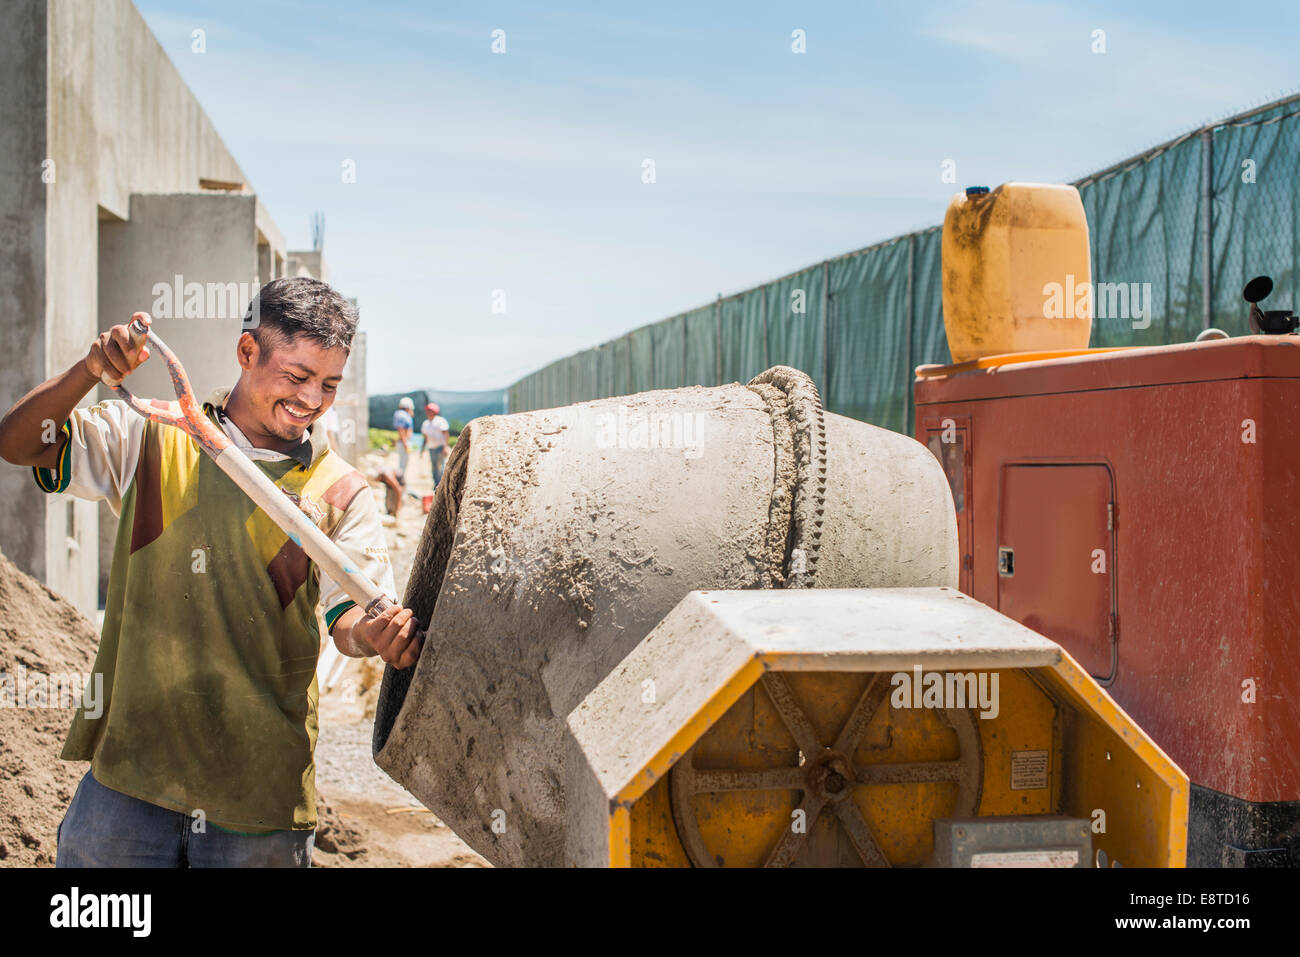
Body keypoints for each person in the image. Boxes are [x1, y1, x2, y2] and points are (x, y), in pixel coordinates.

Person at [0, 277, 421, 868]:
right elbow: (20, 445)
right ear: (248, 353)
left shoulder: (344, 492)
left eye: (329, 384)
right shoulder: (153, 437)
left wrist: (373, 636)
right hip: (129, 779)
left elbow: (346, 617)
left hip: (258, 798)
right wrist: (90, 369)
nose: (312, 399)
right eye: (297, 376)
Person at [421, 402, 451, 489]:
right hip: (431, 448)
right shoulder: (425, 423)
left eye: (430, 411)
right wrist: (422, 449)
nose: (428, 412)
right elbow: (425, 437)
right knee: (434, 467)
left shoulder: (440, 421)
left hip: (440, 447)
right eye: (427, 411)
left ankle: (442, 485)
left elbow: (445, 434)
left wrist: (445, 447)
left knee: (440, 466)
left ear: (434, 412)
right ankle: (436, 484)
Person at [392, 397, 414, 485]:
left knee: (403, 464)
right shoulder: (402, 415)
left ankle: (401, 482)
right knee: (403, 465)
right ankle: (400, 482)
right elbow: (401, 430)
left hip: (403, 442)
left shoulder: (400, 414)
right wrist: (405, 444)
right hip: (404, 442)